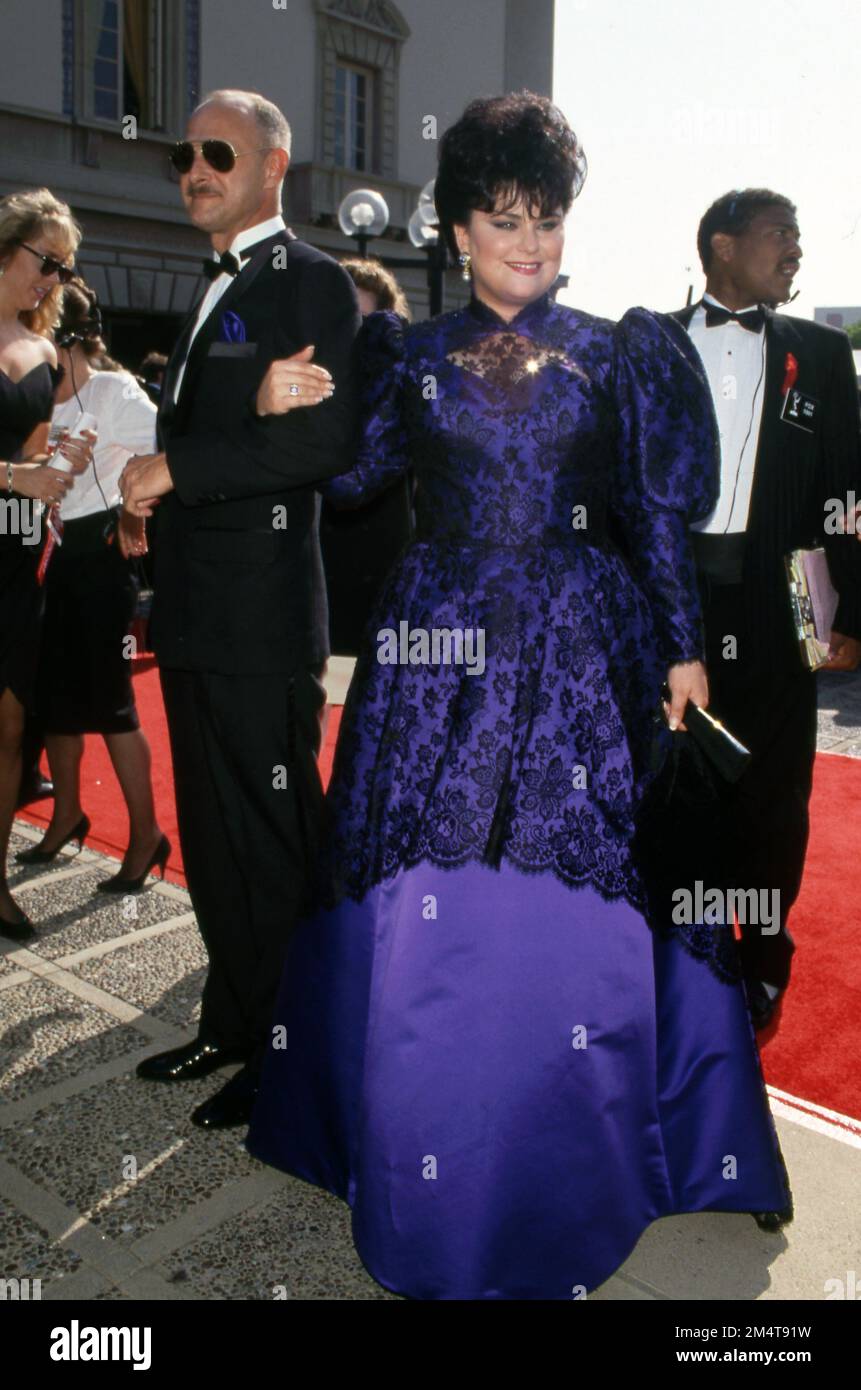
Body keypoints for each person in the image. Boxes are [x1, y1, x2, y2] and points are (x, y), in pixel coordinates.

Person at [246, 92, 791, 1301]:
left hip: (578, 639)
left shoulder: (619, 347)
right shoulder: (410, 354)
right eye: (504, 221)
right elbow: (355, 485)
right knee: (421, 881)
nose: (531, 243)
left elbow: (654, 514)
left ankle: (589, 1150)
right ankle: (423, 1158)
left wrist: (682, 649)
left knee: (592, 871)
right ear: (456, 233)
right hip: (436, 645)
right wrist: (299, 397)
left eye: (546, 218)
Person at [120, 88, 361, 1129]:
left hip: (260, 626)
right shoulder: (214, 283)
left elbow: (317, 444)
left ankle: (297, 1051)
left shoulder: (310, 283)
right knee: (215, 841)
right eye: (185, 152)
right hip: (196, 617)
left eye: (217, 151)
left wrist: (175, 466)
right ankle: (234, 1016)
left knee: (270, 839)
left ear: (275, 165)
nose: (193, 168)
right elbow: (247, 427)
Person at [659, 190, 861, 1029]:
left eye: (799, 238)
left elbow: (846, 491)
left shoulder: (818, 352)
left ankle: (763, 961)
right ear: (722, 245)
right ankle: (691, 954)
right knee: (683, 789)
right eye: (780, 235)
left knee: (774, 794)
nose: (795, 251)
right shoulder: (654, 345)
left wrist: (841, 617)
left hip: (781, 601)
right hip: (677, 604)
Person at [17, 278, 169, 893]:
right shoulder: (41, 400)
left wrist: (133, 510)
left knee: (112, 704)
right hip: (52, 556)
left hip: (102, 554)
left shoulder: (113, 390)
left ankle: (145, 834)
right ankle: (67, 814)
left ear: (72, 340)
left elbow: (162, 450)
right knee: (53, 700)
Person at [0, 188, 93, 941]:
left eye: (64, 269)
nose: (54, 279)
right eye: (47, 260)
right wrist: (11, 477)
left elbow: (36, 459)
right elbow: (13, 469)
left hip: (15, 561)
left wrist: (62, 462)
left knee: (8, 730)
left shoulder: (44, 352)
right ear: (8, 246)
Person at [320, 257, 413, 654]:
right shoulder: (304, 377)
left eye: (360, 319)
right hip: (314, 549)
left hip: (380, 550)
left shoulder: (401, 387)